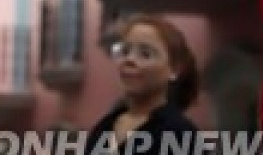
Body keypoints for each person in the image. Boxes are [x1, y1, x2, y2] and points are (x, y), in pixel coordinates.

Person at [84, 14, 199, 155]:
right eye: (125, 52)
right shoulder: (103, 128)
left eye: (145, 54)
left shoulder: (181, 134)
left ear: (175, 69)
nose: (129, 60)